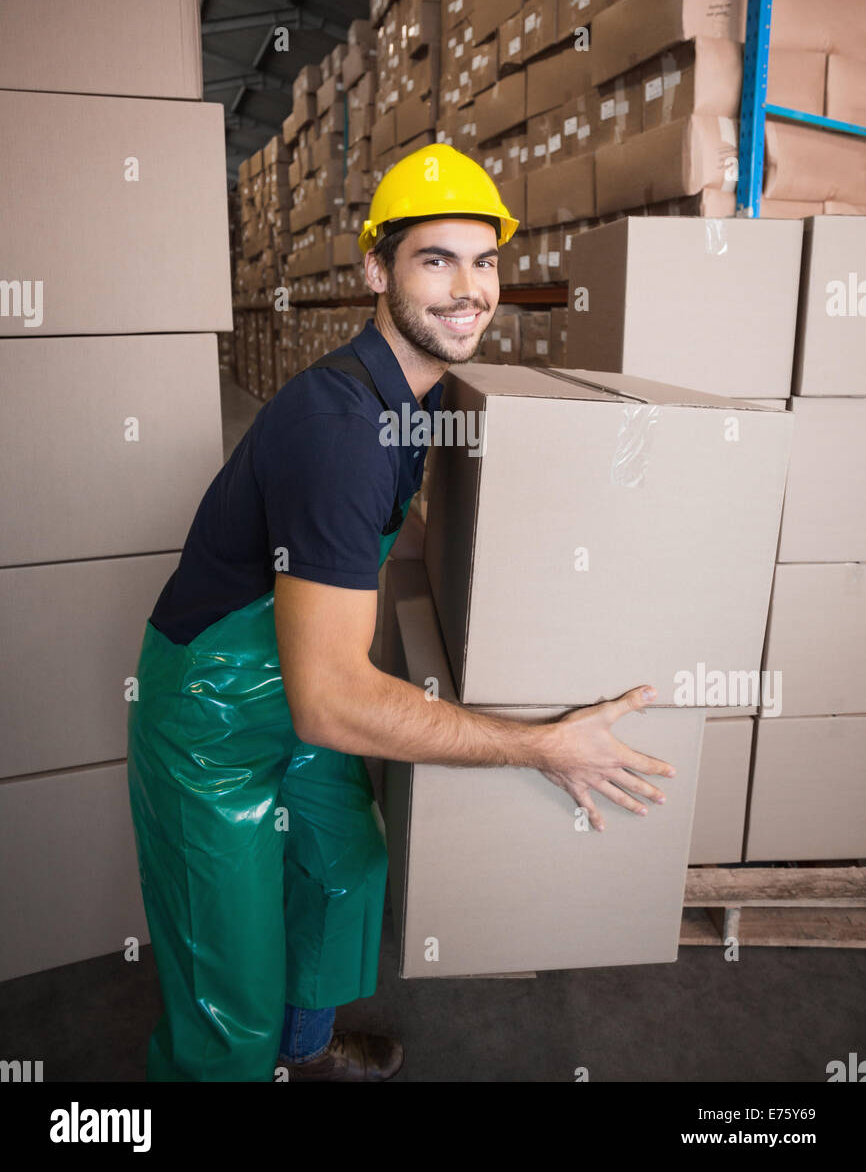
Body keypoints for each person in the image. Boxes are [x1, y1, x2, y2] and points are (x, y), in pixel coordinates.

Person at [127, 143, 674, 1083]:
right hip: (213, 721)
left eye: (485, 259)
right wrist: (541, 742)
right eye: (436, 260)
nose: (470, 289)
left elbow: (391, 557)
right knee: (229, 995)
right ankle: (244, 1058)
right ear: (377, 270)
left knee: (347, 873)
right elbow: (332, 705)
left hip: (294, 679)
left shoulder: (406, 399)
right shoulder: (339, 430)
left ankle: (302, 1049)